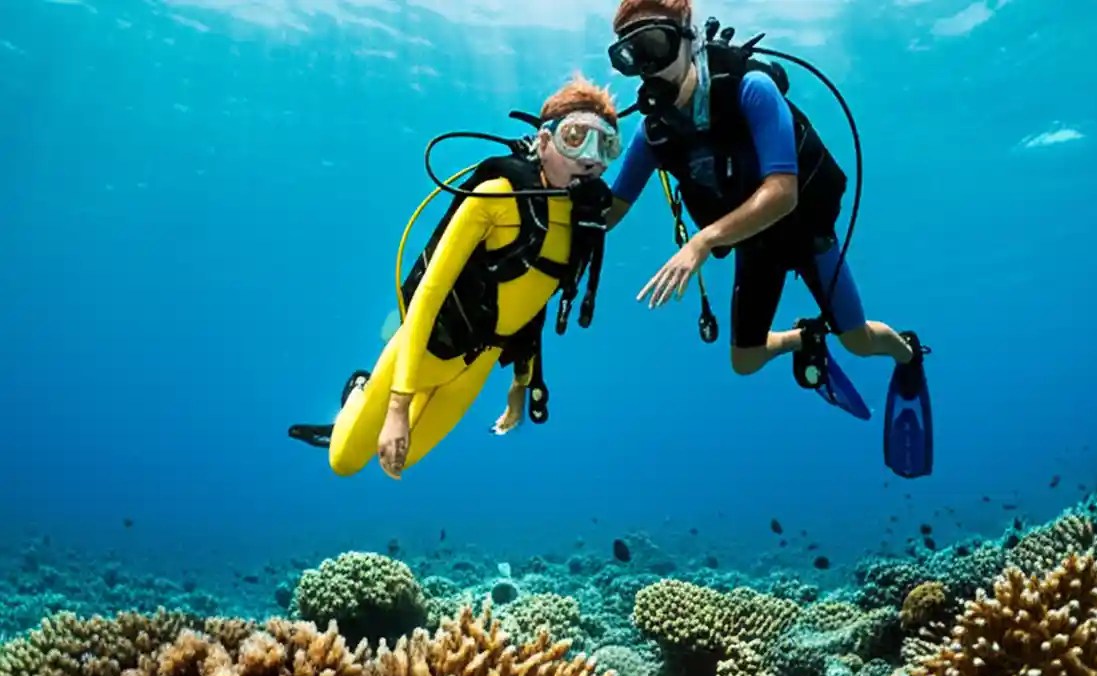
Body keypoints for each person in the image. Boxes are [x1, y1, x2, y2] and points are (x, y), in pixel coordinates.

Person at [603, 0, 934, 478]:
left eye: (655, 44)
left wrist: (700, 243)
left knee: (859, 341)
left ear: (689, 37)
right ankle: (806, 339)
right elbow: (610, 211)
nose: (647, 65)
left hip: (804, 232)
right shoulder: (653, 132)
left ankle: (907, 352)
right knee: (745, 360)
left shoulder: (751, 89)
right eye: (631, 55)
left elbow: (782, 194)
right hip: (754, 242)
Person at [288, 74, 621, 479]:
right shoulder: (498, 195)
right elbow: (429, 293)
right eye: (576, 137)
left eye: (606, 145)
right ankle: (361, 388)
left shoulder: (582, 222)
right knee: (344, 462)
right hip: (429, 344)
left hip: (478, 362)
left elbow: (533, 304)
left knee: (398, 463)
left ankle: (392, 402)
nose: (592, 158)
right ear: (544, 141)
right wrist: (397, 406)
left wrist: (522, 383)